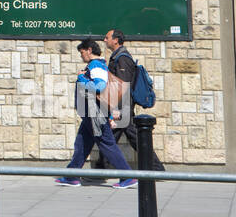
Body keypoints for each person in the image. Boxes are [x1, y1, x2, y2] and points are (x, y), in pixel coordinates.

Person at [55, 38, 137, 187]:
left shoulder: (95, 65)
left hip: (95, 114)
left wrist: (81, 79)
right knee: (82, 143)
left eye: (82, 53)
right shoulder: (96, 65)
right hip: (90, 115)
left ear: (89, 50)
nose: (81, 56)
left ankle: (127, 176)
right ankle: (71, 176)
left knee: (107, 144)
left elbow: (99, 87)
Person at [103, 28, 165, 171]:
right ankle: (156, 167)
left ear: (116, 40)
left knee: (109, 139)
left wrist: (116, 109)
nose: (105, 40)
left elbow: (122, 85)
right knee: (128, 138)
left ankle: (101, 168)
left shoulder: (122, 58)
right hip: (122, 106)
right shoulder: (117, 56)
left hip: (122, 106)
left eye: (107, 38)